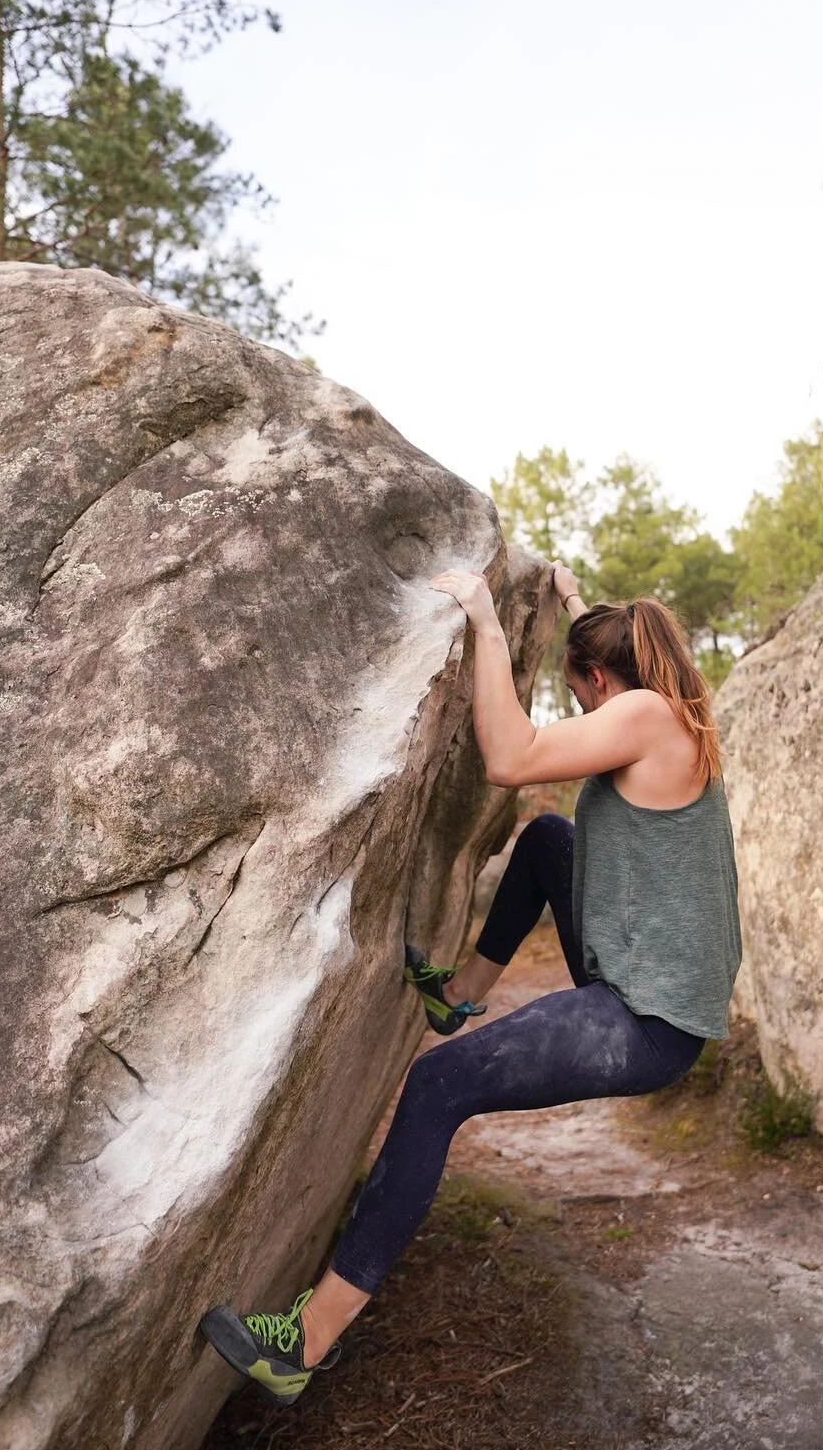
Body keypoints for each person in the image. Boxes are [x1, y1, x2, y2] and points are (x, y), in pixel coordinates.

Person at [198, 564, 742, 1405]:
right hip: (641, 981)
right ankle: (458, 995)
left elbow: (511, 758)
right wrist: (570, 601)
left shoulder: (641, 715)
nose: (590, 714)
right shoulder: (669, 708)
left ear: (602, 682)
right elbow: (603, 681)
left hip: (644, 1021)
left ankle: (308, 1341)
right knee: (548, 842)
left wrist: (488, 624)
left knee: (436, 1087)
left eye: (584, 695)